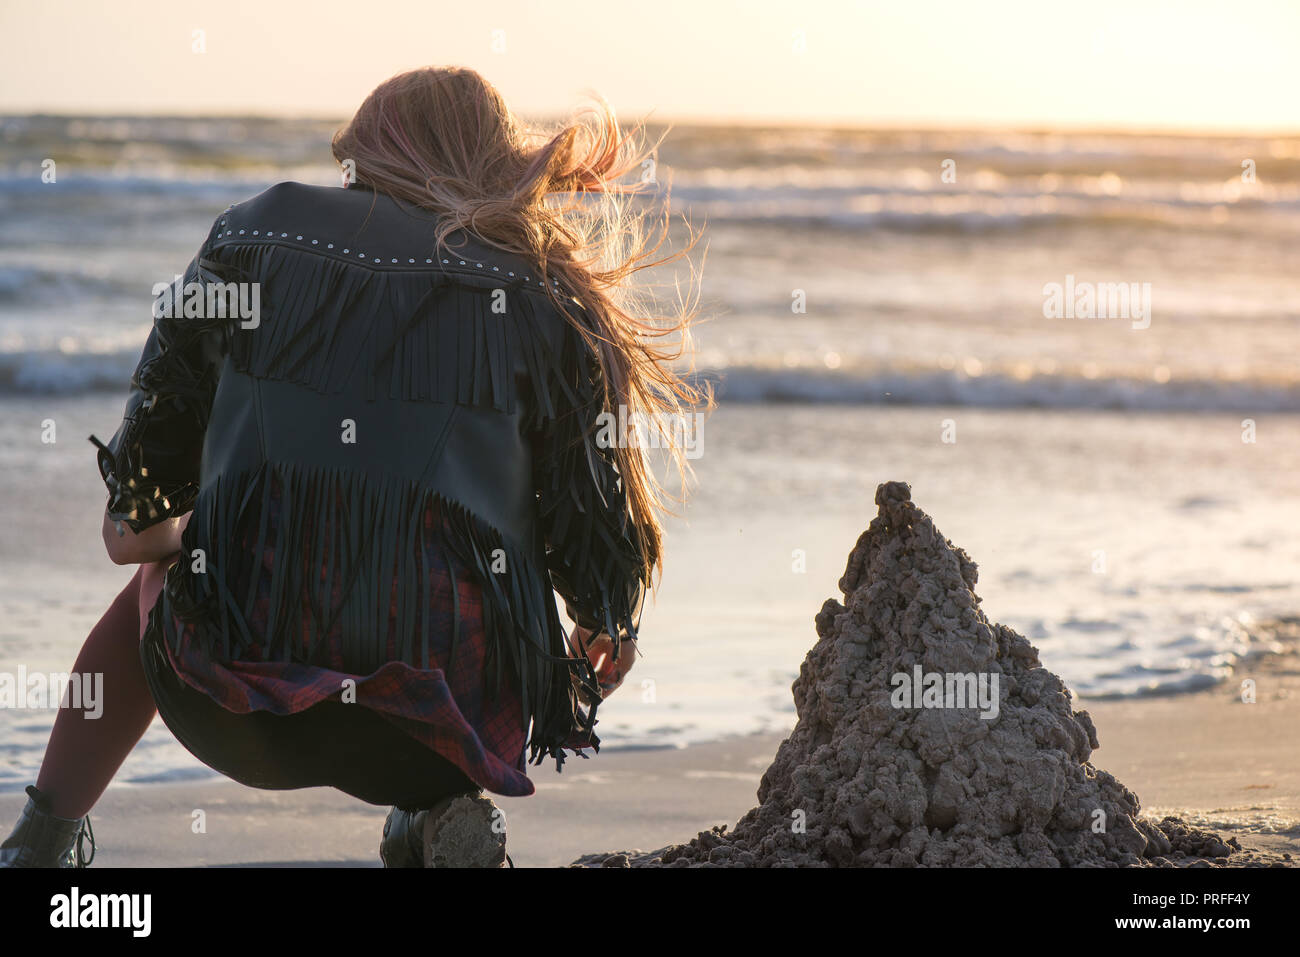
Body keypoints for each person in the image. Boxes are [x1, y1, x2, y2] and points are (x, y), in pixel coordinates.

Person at [0, 66, 707, 868]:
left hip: (225, 704)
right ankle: (438, 813)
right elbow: (600, 565)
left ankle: (43, 836)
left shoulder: (252, 236)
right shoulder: (547, 296)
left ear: (366, 158)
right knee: (460, 594)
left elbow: (129, 530)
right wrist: (609, 625)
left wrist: (216, 526)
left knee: (164, 569)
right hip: (445, 726)